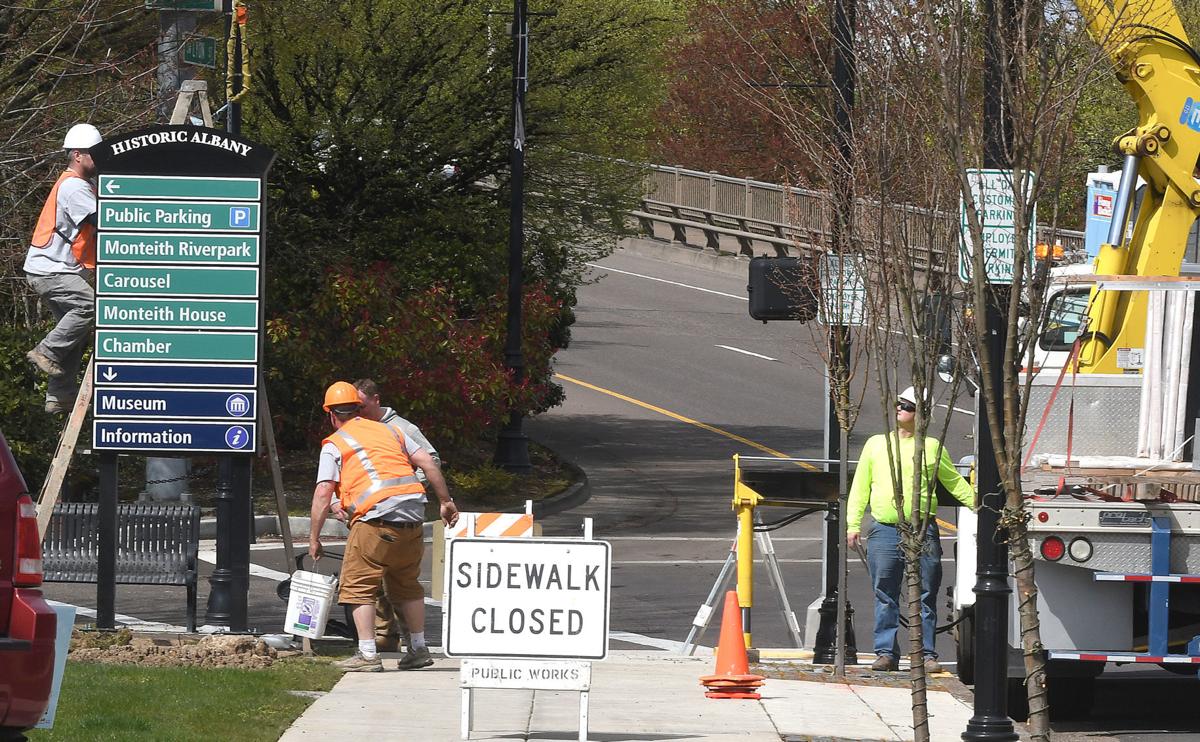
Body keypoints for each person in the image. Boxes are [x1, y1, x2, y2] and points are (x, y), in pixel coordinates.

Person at [309, 381, 459, 672]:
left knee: (357, 587)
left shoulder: (335, 443)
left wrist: (315, 538)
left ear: (331, 415)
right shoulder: (391, 430)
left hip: (375, 522)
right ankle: (418, 649)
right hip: (412, 521)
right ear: (359, 408)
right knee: (407, 586)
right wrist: (445, 501)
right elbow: (428, 463)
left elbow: (323, 491)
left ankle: (367, 655)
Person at [846, 385, 974, 674]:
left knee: (926, 593)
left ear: (921, 414)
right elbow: (860, 487)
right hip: (884, 528)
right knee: (885, 593)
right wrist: (853, 524)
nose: (900, 408)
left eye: (907, 405)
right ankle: (886, 653)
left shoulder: (932, 447)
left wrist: (980, 504)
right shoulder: (876, 445)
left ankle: (926, 654)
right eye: (899, 403)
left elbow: (954, 483)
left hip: (923, 530)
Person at [352, 378, 442, 654]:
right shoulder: (357, 428)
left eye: (362, 405)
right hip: (370, 514)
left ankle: (410, 640)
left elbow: (431, 460)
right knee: (373, 581)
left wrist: (407, 488)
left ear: (376, 400)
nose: (357, 410)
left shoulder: (402, 428)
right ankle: (385, 636)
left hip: (399, 515)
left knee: (398, 583)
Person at [24, 123, 102, 414]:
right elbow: (101, 219)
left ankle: (59, 396)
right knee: (89, 306)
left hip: (55, 269)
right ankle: (46, 351)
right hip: (51, 270)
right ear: (78, 155)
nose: (100, 160)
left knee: (75, 333)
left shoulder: (83, 185)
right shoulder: (73, 186)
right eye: (95, 154)